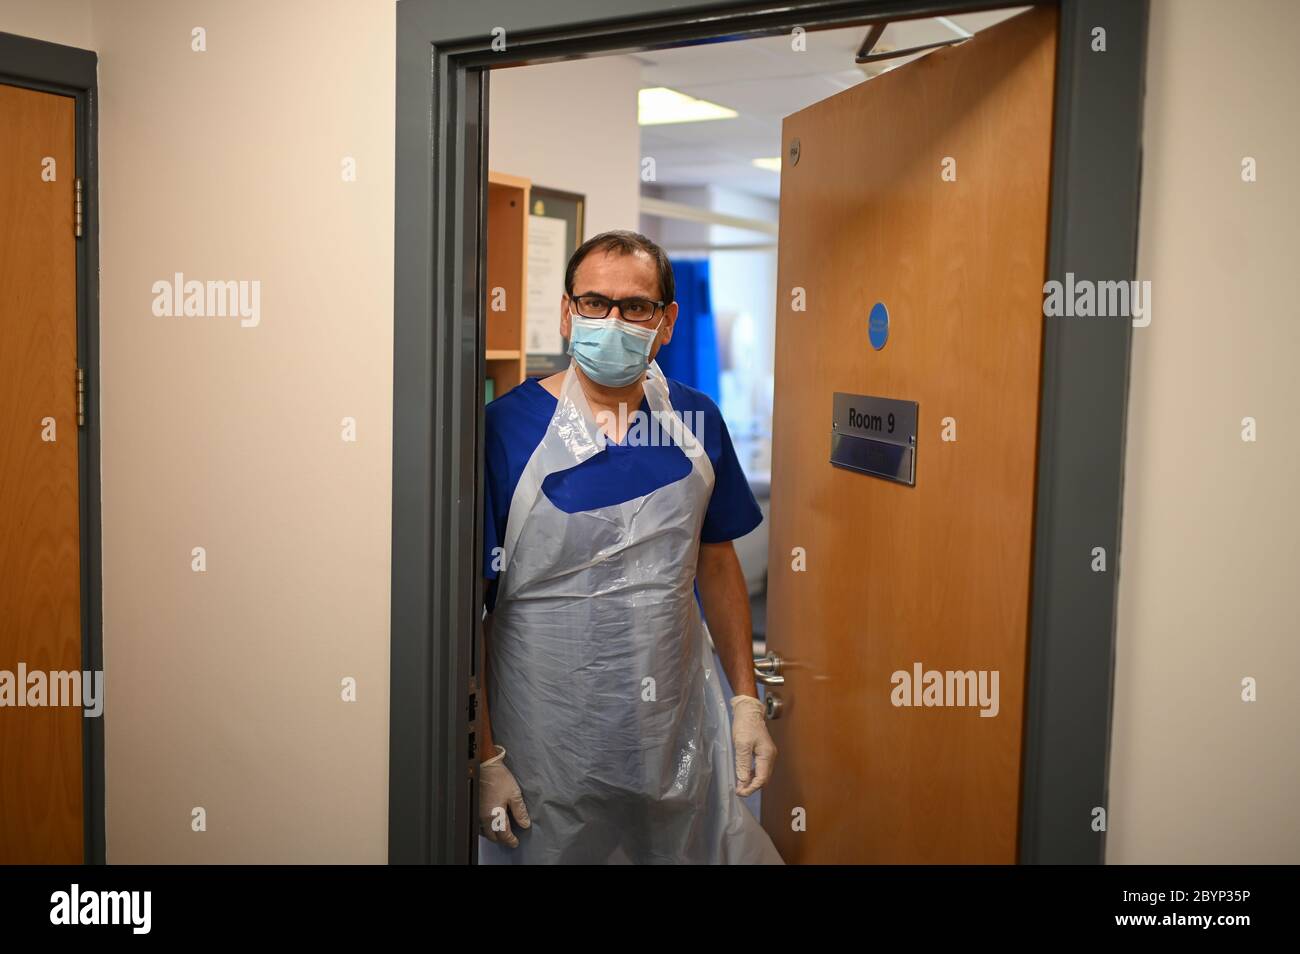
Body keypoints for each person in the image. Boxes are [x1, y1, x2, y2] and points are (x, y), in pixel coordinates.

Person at [477, 229, 783, 864]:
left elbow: (717, 563)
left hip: (673, 734)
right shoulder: (504, 431)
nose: (611, 320)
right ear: (567, 312)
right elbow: (467, 610)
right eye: (594, 302)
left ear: (666, 322)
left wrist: (746, 700)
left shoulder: (695, 423)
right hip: (541, 746)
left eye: (635, 306)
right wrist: (483, 754)